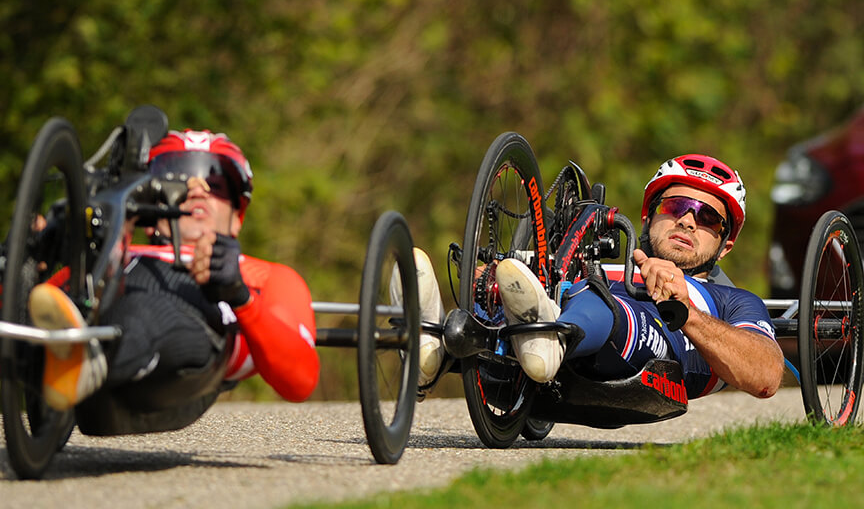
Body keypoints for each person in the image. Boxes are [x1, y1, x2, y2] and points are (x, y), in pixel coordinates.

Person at [407, 154, 785, 401]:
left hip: (648, 352)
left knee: (599, 294)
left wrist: (685, 309)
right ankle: (436, 342)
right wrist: (492, 280)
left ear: (726, 243)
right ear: (648, 217)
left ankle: (549, 333)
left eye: (707, 218)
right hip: (545, 341)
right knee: (539, 282)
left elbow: (766, 375)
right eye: (675, 207)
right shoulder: (600, 258)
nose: (687, 220)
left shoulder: (731, 301)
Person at [27, 130, 320, 411]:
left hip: (193, 338)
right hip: (99, 308)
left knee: (148, 301)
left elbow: (300, 382)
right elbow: (41, 305)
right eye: (176, 182)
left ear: (236, 218)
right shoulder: (117, 254)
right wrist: (31, 261)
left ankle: (86, 360)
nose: (197, 191)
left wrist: (239, 295)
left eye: (215, 186)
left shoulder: (268, 276)